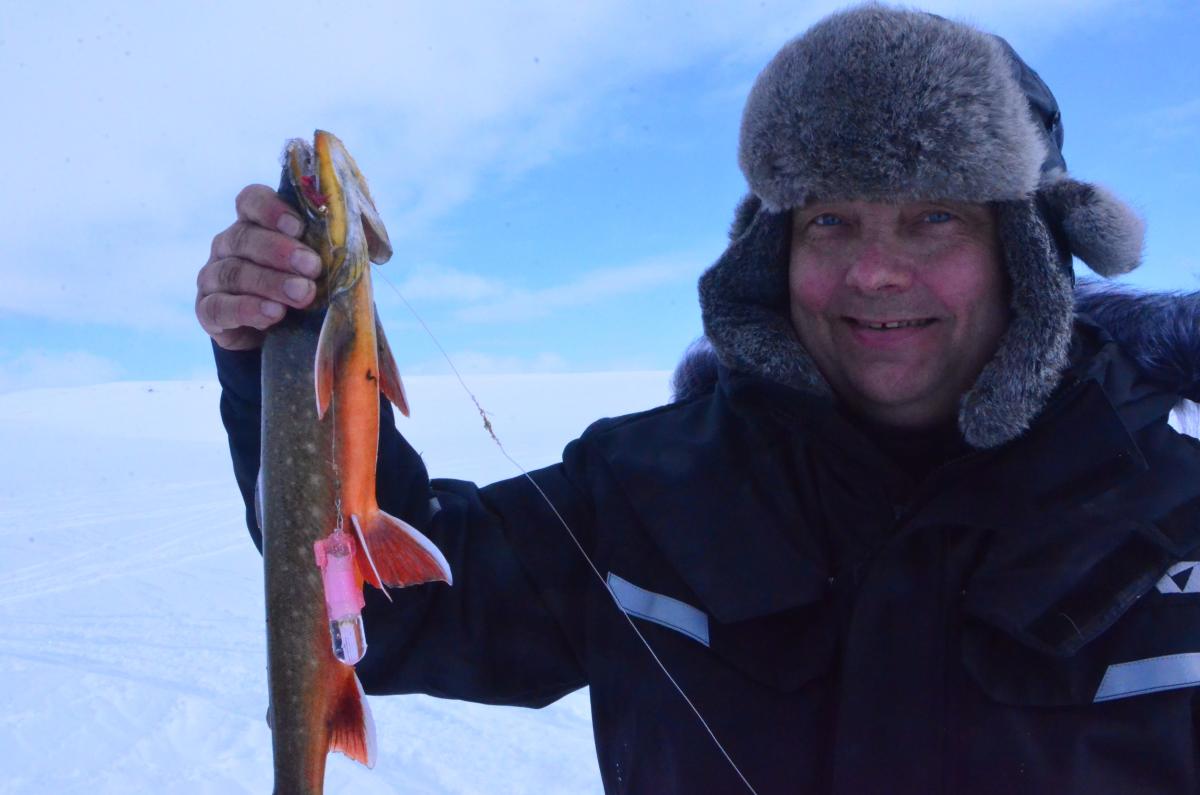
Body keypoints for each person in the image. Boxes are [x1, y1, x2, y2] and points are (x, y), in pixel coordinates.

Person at [199, 6, 1200, 794]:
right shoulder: (645, 487)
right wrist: (279, 357)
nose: (874, 272)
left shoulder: (1177, 508)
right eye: (831, 221)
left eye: (934, 217)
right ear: (774, 252)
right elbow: (391, 611)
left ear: (1025, 251)